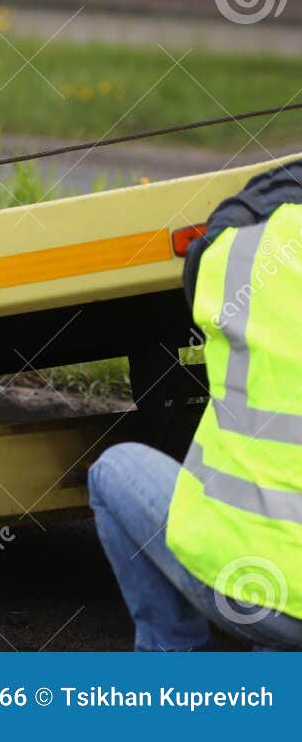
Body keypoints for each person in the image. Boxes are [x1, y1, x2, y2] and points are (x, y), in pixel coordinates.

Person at [89, 162, 302, 651]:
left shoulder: (244, 254)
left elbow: (211, 242)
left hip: (260, 593)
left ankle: (175, 673)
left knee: (113, 470)